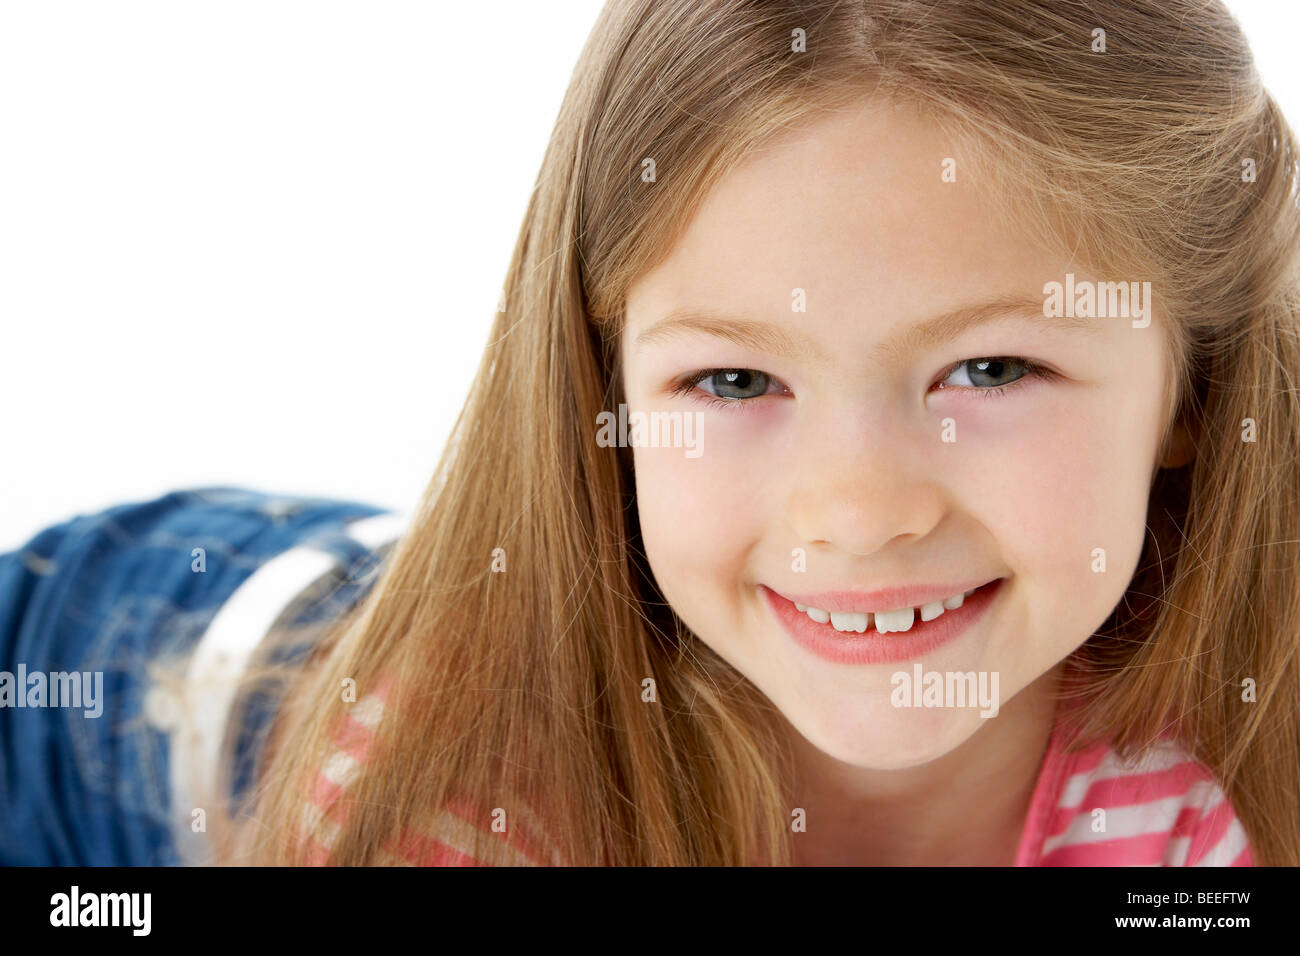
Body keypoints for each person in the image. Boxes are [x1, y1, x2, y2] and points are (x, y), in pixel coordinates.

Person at [4, 0, 1297, 866]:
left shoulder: (1227, 761)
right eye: (733, 383)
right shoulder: (472, 803)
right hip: (107, 687)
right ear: (598, 380)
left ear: (1194, 386)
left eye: (991, 367)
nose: (855, 509)